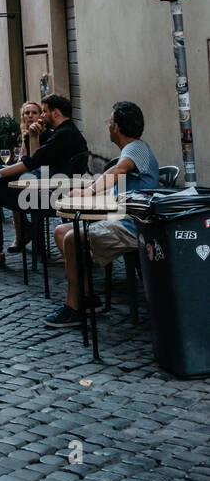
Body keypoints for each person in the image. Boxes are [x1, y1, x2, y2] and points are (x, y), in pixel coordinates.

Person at [44, 101, 160, 329]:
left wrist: (88, 191)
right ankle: (87, 297)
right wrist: (91, 188)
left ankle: (74, 307)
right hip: (122, 220)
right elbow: (112, 170)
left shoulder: (136, 148)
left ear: (116, 127)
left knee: (71, 237)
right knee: (61, 231)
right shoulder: (134, 150)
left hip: (133, 227)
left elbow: (118, 170)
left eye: (109, 122)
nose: (108, 126)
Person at [0, 94, 88, 269]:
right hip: (50, 189)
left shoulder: (63, 135)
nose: (42, 116)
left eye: (43, 112)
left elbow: (32, 163)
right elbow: (37, 163)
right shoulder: (66, 133)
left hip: (51, 196)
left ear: (56, 113)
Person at [7, 101, 43, 252]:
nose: (30, 116)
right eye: (27, 113)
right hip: (29, 174)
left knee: (13, 188)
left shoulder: (44, 132)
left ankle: (22, 234)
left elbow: (35, 160)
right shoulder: (26, 133)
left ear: (40, 115)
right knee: (11, 187)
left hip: (43, 177)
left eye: (34, 112)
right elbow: (23, 156)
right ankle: (22, 232)